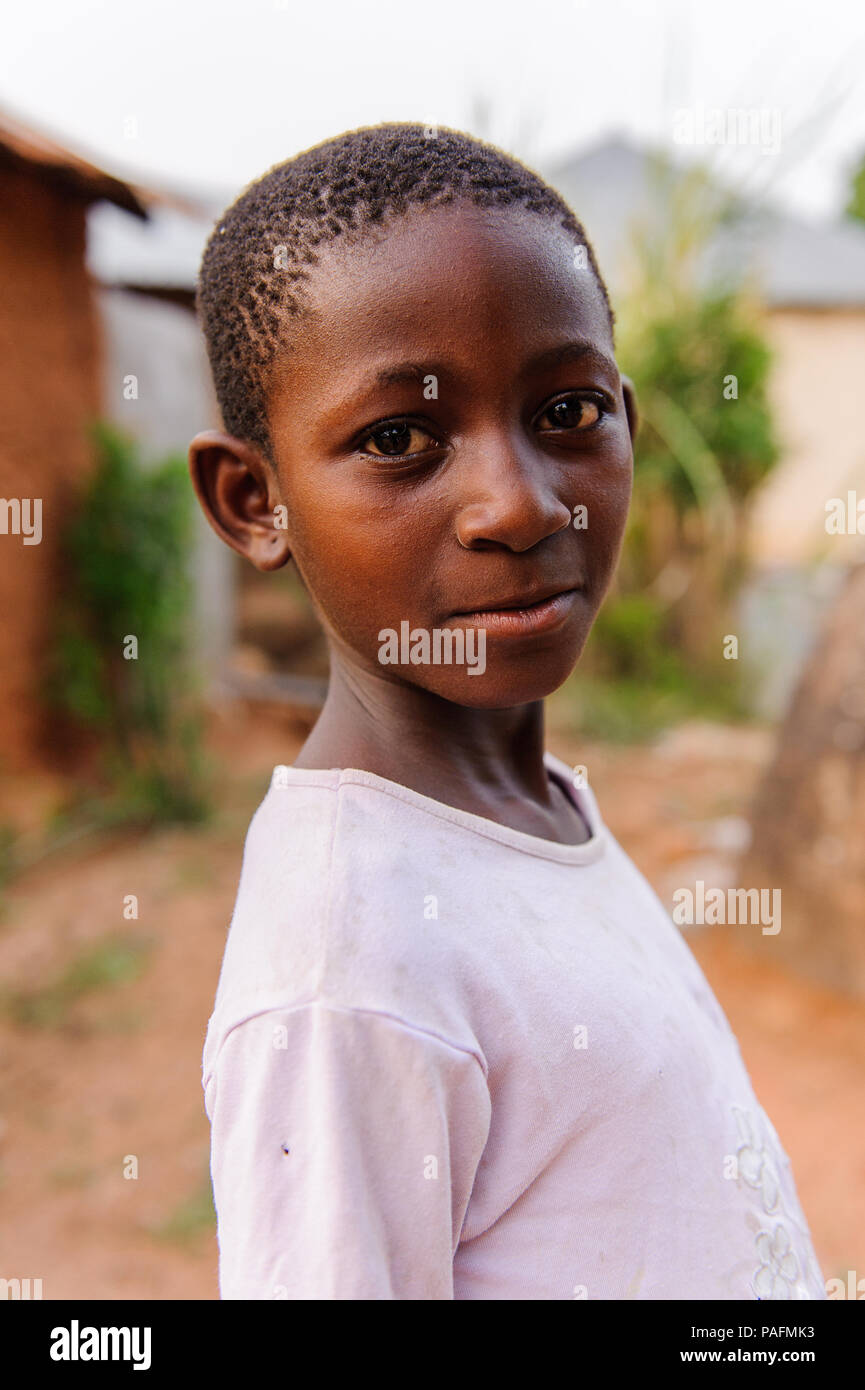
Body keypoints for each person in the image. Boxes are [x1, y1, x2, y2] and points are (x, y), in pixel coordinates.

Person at [188, 123, 826, 1300]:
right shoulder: (347, 967)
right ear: (253, 500)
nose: (518, 505)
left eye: (568, 413)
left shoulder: (530, 807)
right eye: (400, 439)